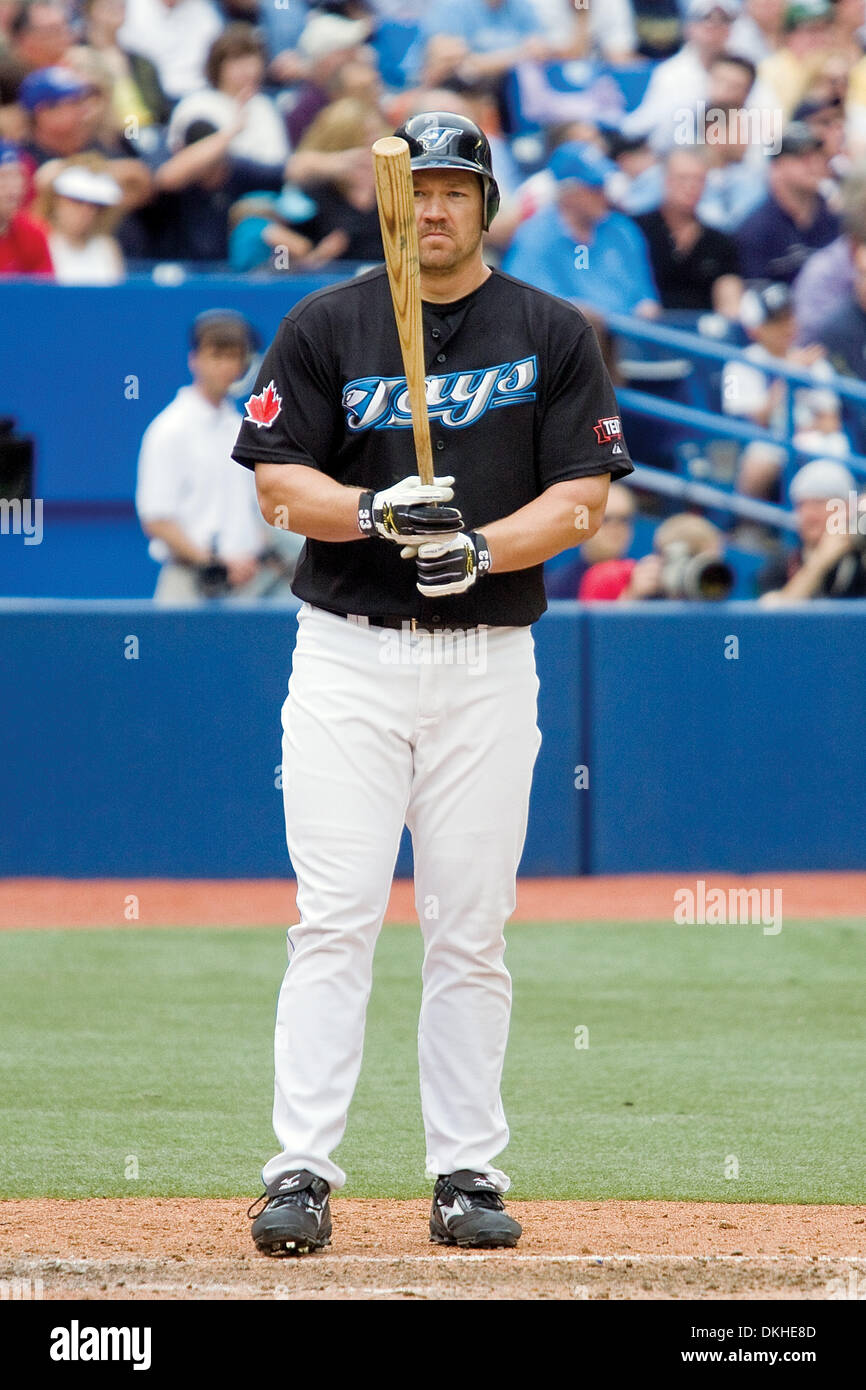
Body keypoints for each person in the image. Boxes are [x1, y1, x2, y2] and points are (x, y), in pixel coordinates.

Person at [232, 110, 632, 1255]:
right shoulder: (326, 324)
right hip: (349, 653)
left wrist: (480, 548)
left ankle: (465, 1169)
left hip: (485, 658)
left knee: (469, 926)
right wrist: (368, 510)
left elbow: (581, 501)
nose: (440, 207)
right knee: (336, 917)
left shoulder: (550, 331)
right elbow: (275, 483)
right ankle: (299, 1167)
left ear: (487, 203)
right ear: (392, 203)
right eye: (423, 188)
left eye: (460, 187)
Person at [136, 310, 268, 605]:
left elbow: (255, 508)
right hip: (188, 587)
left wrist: (252, 556)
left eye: (235, 357)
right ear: (193, 360)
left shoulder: (239, 427)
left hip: (248, 588)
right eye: (216, 356)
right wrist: (214, 562)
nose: (226, 367)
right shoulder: (168, 430)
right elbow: (156, 519)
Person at [502, 140, 660, 318]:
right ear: (568, 193)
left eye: (603, 186)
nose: (603, 194)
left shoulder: (622, 230)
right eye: (594, 188)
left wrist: (647, 306)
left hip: (629, 339)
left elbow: (645, 295)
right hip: (564, 340)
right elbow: (524, 301)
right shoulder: (535, 236)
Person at [635, 147, 742, 315]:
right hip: (646, 328)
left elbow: (729, 292)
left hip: (702, 332)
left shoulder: (719, 242)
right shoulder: (636, 229)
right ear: (666, 180)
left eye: (698, 180)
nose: (691, 187)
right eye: (682, 179)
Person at [734, 120, 840, 281]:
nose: (814, 164)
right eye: (802, 157)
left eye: (819, 156)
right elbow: (757, 288)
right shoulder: (756, 229)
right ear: (776, 167)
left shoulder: (836, 219)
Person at [759, 457, 866, 601]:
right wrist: (820, 561)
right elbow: (771, 616)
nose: (809, 514)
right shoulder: (784, 563)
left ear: (847, 510)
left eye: (820, 503)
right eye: (802, 505)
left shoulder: (858, 561)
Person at [580, 511, 728, 601]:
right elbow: (597, 644)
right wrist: (632, 596)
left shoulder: (714, 588)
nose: (709, 573)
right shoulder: (610, 577)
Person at [35, 155, 125, 282]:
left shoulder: (107, 248)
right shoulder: (40, 243)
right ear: (56, 200)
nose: (86, 211)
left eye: (95, 205)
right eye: (77, 201)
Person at [0, 137, 52, 272]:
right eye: (3, 177)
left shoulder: (33, 234)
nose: (13, 188)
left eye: (17, 177)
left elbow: (45, 290)